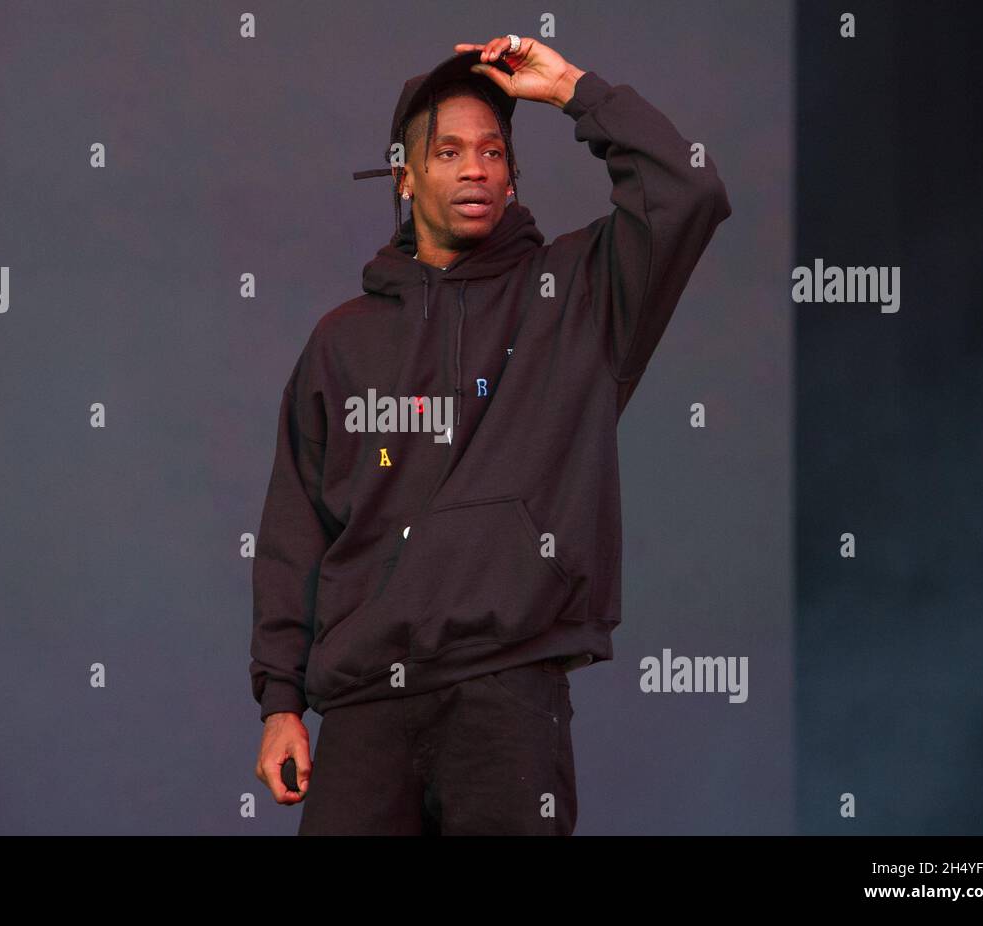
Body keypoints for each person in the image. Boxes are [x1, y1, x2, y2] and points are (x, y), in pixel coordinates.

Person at [250, 34, 732, 834]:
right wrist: (280, 702)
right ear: (404, 177)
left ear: (512, 175)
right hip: (367, 703)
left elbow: (688, 190)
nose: (475, 167)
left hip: (507, 693)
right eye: (447, 151)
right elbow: (295, 528)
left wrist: (574, 90)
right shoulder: (342, 341)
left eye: (493, 151)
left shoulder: (579, 297)